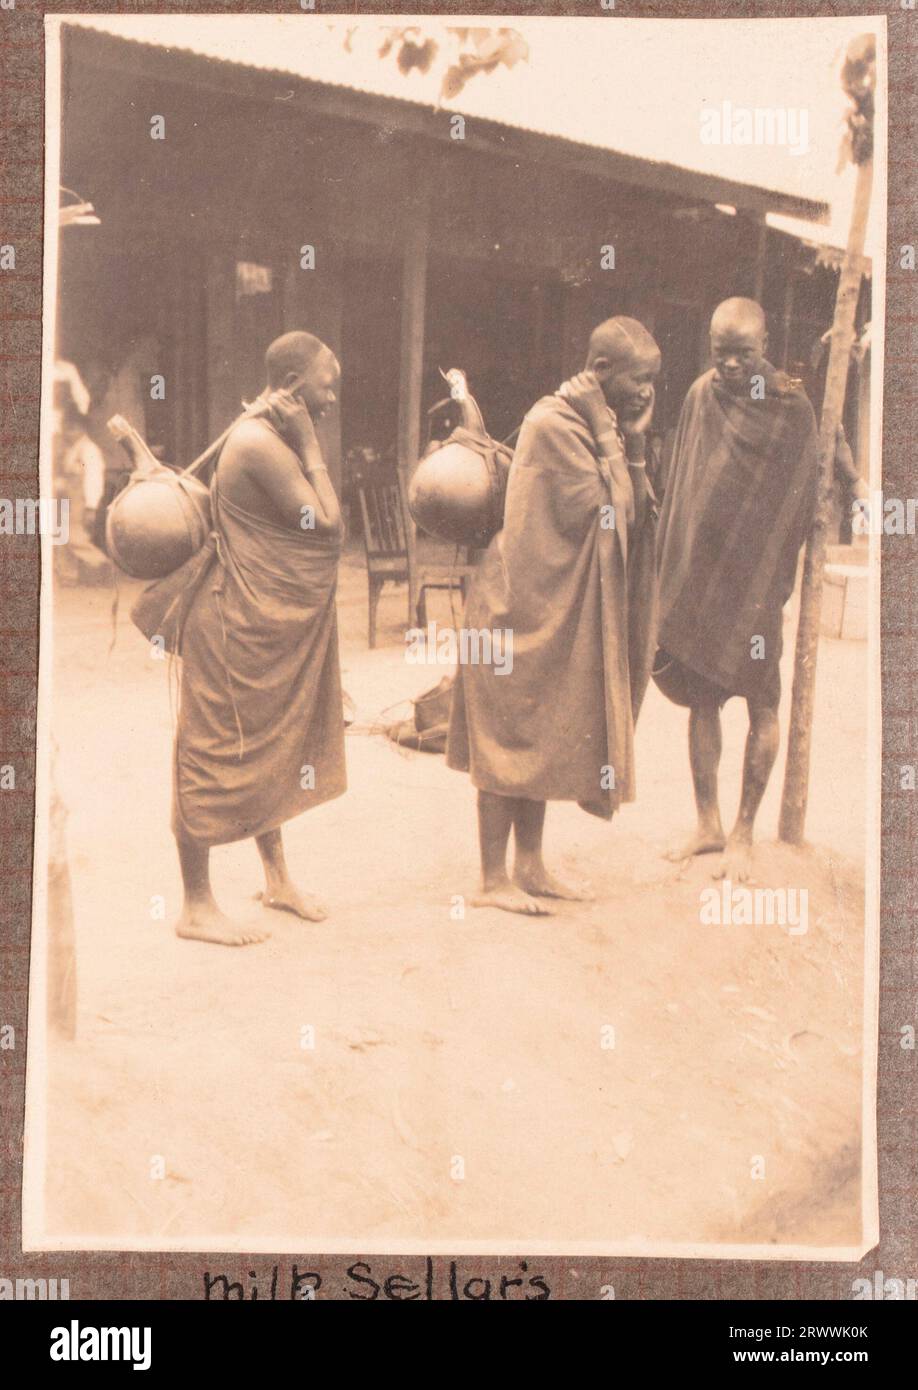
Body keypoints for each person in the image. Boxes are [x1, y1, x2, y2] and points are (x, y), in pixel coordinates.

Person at [446, 317, 661, 915]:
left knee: (535, 740)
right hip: (513, 613)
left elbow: (635, 512)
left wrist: (632, 439)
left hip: (550, 613)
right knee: (505, 740)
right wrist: (610, 433)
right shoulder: (552, 424)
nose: (647, 391)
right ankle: (492, 881)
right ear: (601, 372)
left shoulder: (600, 427)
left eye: (654, 381)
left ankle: (531, 865)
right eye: (639, 380)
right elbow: (612, 515)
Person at [656, 296, 838, 882]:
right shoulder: (699, 394)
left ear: (764, 348)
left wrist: (772, 556)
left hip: (756, 584)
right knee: (703, 700)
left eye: (743, 354)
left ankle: (743, 832)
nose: (730, 365)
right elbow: (682, 477)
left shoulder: (790, 404)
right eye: (720, 353)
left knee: (762, 703)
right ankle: (707, 823)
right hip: (704, 577)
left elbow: (804, 489)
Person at [172, 331, 345, 945]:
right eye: (327, 386)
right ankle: (195, 905)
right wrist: (311, 445)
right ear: (295, 387)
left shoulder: (264, 435)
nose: (332, 398)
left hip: (253, 624)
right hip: (229, 625)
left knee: (267, 748)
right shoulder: (260, 442)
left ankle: (276, 879)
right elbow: (325, 523)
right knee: (213, 753)